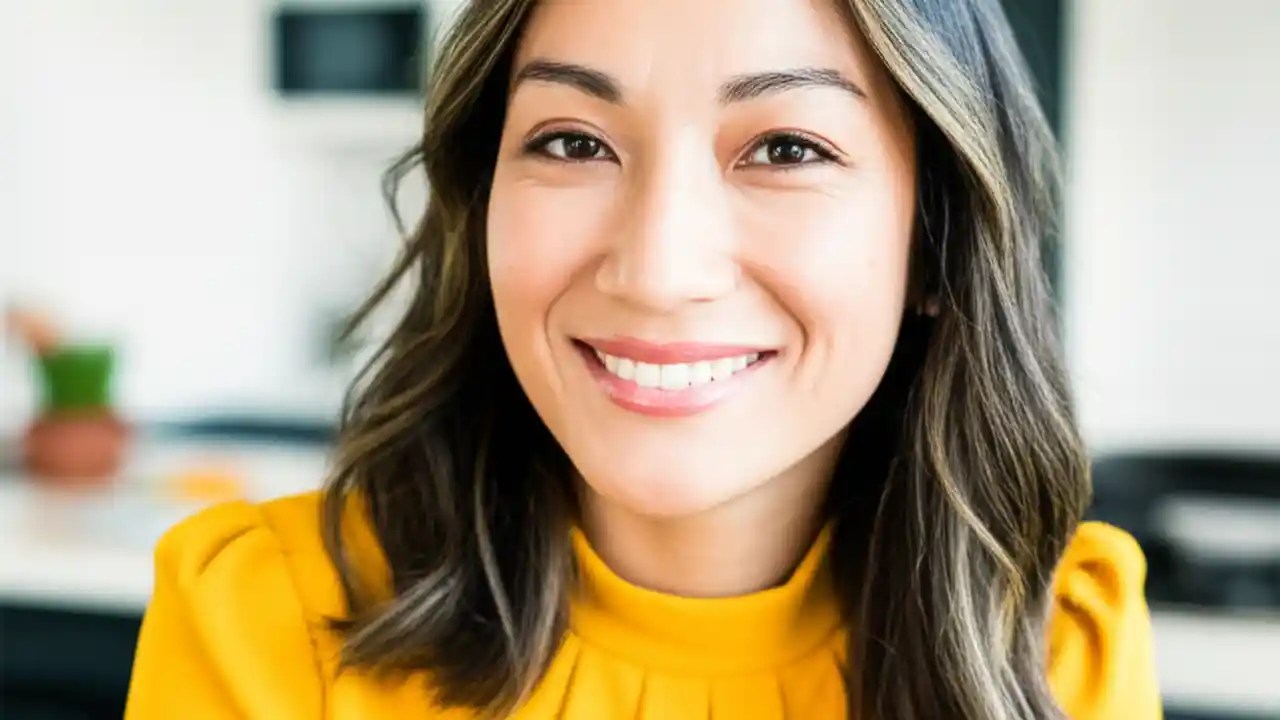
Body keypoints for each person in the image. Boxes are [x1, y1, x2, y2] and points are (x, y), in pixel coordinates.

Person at [125, 0, 1162, 717]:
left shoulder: (1056, 644)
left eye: (786, 149)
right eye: (572, 142)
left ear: (934, 240)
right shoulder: (261, 614)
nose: (657, 270)